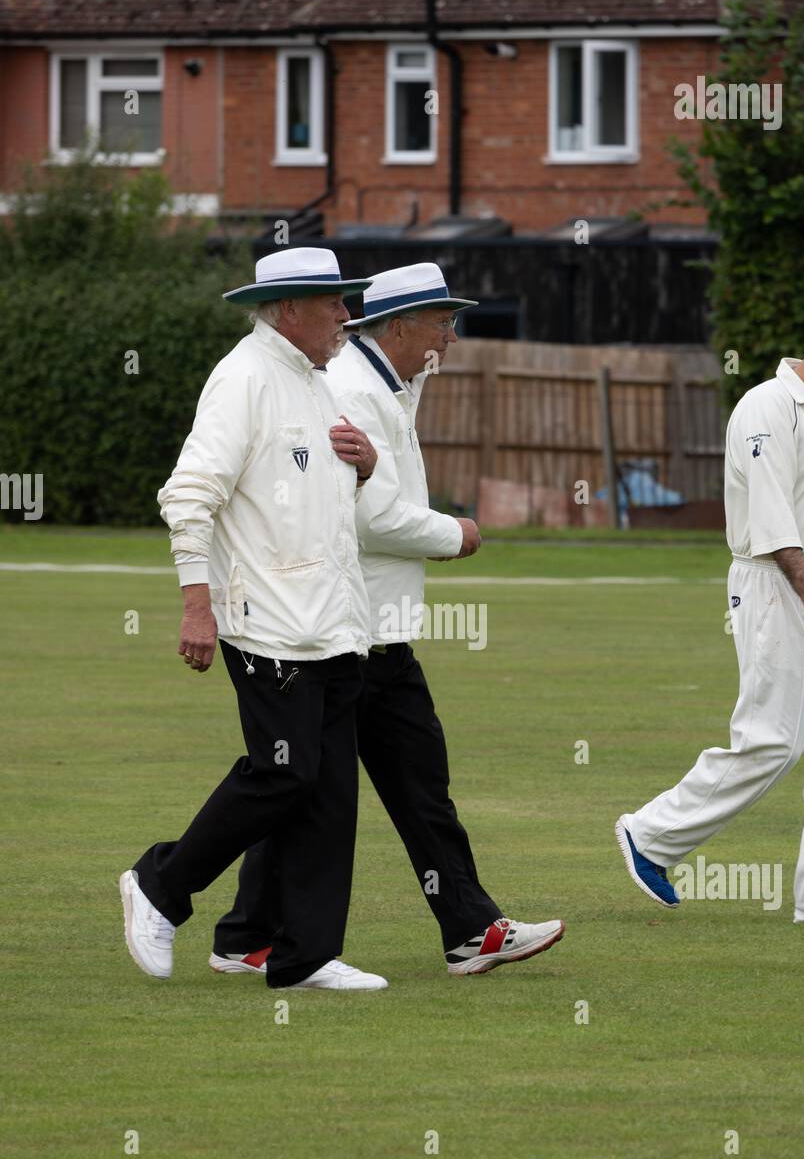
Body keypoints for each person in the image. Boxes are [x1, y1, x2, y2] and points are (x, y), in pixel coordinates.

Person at [210, 263, 565, 977]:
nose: (454, 338)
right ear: (399, 327)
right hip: (353, 630)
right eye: (443, 323)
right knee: (381, 781)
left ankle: (245, 933)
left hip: (370, 627)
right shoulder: (354, 391)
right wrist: (454, 534)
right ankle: (470, 931)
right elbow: (364, 515)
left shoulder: (389, 383)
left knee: (323, 778)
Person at [120, 246, 394, 991]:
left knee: (329, 791)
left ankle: (305, 955)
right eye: (334, 302)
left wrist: (366, 466)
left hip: (335, 626)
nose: (346, 314)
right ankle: (159, 884)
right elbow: (187, 495)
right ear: (291, 309)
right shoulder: (243, 379)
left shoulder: (319, 381)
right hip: (266, 623)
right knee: (282, 775)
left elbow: (332, 504)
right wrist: (195, 604)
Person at [616, 314, 804, 924]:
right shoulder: (765, 407)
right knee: (772, 742)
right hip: (778, 586)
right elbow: (772, 514)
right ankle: (650, 834)